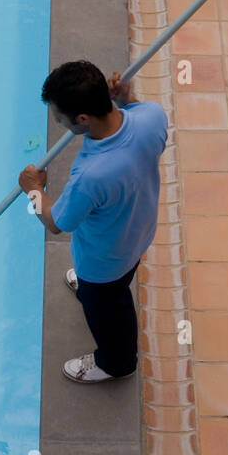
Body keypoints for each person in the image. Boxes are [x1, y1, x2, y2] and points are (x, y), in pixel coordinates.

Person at [18, 60, 167, 384]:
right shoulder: (152, 116)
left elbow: (56, 222)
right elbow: (139, 121)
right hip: (138, 232)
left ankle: (116, 363)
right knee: (114, 285)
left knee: (108, 314)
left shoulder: (90, 175)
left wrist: (33, 191)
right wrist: (127, 99)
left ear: (82, 119)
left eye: (59, 117)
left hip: (101, 263)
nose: (57, 120)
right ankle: (91, 291)